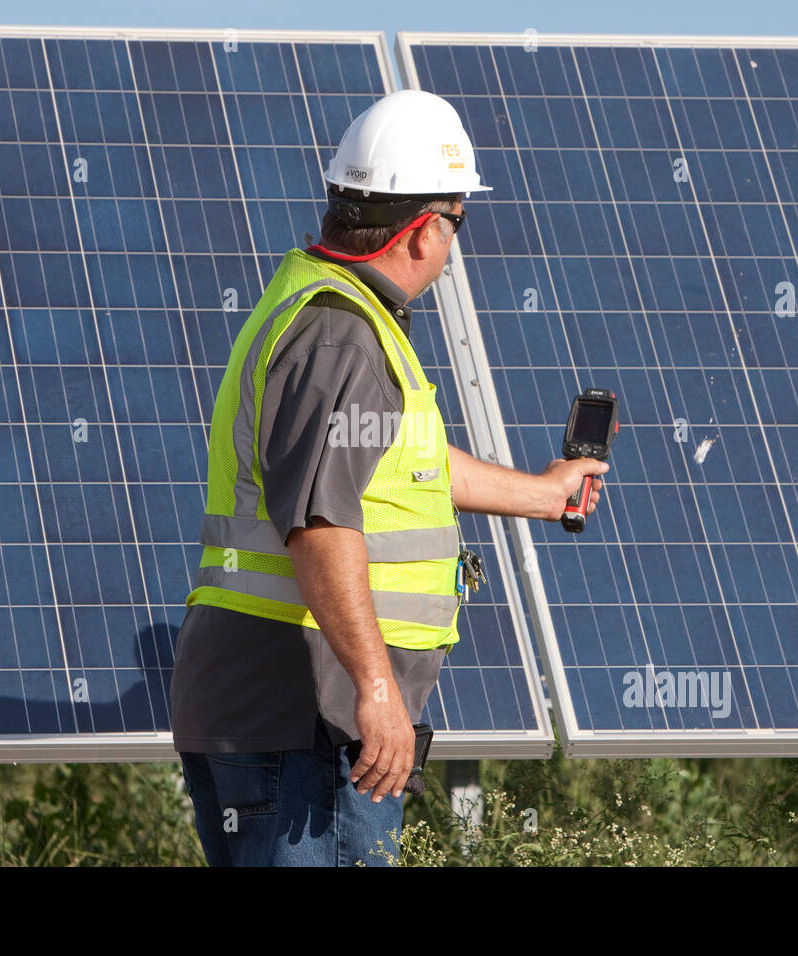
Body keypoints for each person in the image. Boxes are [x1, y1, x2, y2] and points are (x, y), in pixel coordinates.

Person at [171, 88, 607, 867]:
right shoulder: (343, 336)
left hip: (285, 713)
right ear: (419, 232)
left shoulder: (325, 311)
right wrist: (377, 690)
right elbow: (320, 524)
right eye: (456, 221)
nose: (453, 243)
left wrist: (542, 494)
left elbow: (391, 466)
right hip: (306, 716)